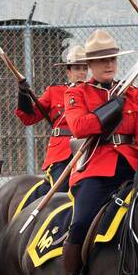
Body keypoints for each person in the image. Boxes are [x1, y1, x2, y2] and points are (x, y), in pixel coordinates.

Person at [58, 29, 138, 275]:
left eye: (112, 59)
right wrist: (112, 107)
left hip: (131, 168)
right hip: (97, 169)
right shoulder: (77, 93)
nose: (109, 65)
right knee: (80, 222)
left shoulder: (133, 93)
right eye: (102, 60)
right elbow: (80, 127)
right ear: (89, 64)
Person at [15, 44, 86, 183]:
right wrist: (23, 93)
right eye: (77, 68)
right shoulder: (54, 92)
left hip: (87, 148)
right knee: (60, 187)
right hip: (62, 152)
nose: (82, 72)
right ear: (68, 72)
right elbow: (29, 118)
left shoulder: (95, 92)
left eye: (85, 68)